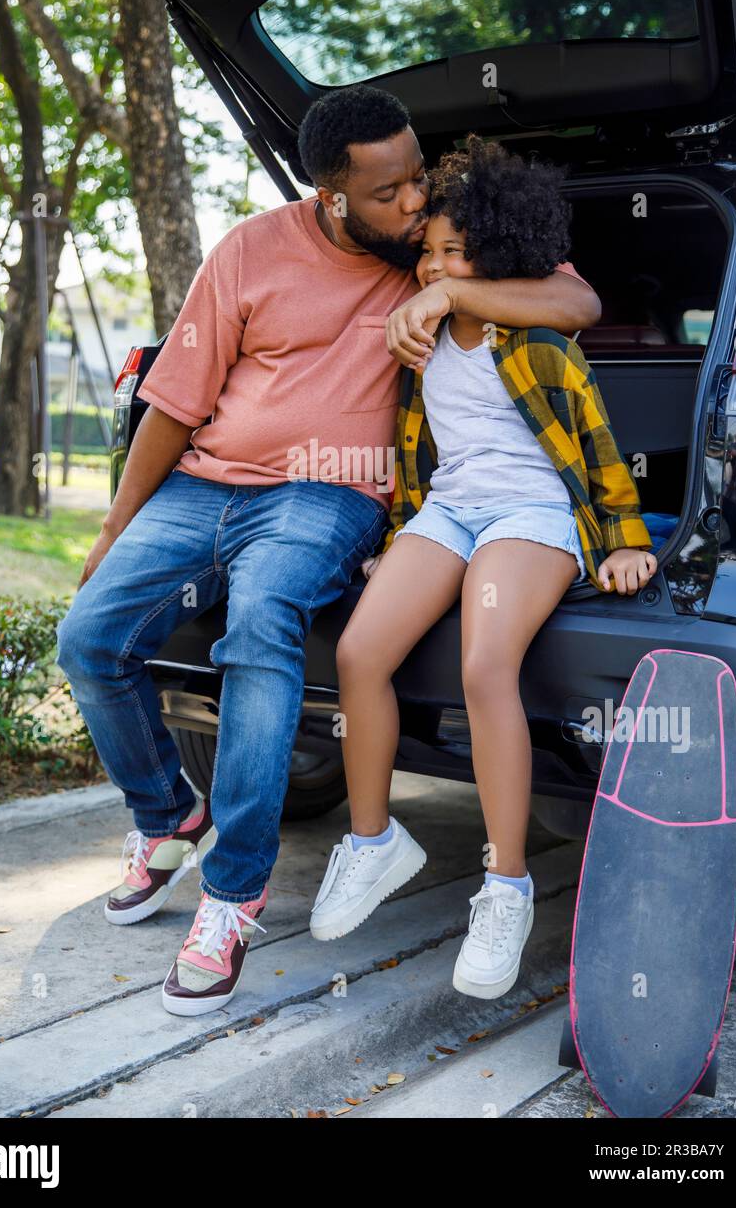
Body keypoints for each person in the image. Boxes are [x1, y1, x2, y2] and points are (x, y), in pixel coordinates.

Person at [55, 92, 600, 1016]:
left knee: (264, 621)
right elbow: (176, 401)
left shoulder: (438, 243)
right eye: (389, 190)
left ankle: (231, 897)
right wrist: (115, 527)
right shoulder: (250, 251)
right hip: (205, 481)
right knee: (87, 639)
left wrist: (448, 286)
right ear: (332, 192)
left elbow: (576, 299)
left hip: (331, 492)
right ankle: (166, 817)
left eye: (418, 173)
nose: (415, 201)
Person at [310, 136, 655, 1002]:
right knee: (359, 653)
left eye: (453, 255)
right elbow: (418, 455)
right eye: (427, 253)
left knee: (483, 664)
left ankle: (505, 888)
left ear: (495, 257)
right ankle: (374, 840)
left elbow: (597, 443)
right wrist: (399, 535)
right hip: (451, 512)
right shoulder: (421, 347)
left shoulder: (536, 340)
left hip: (534, 514)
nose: (433, 269)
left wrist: (624, 537)